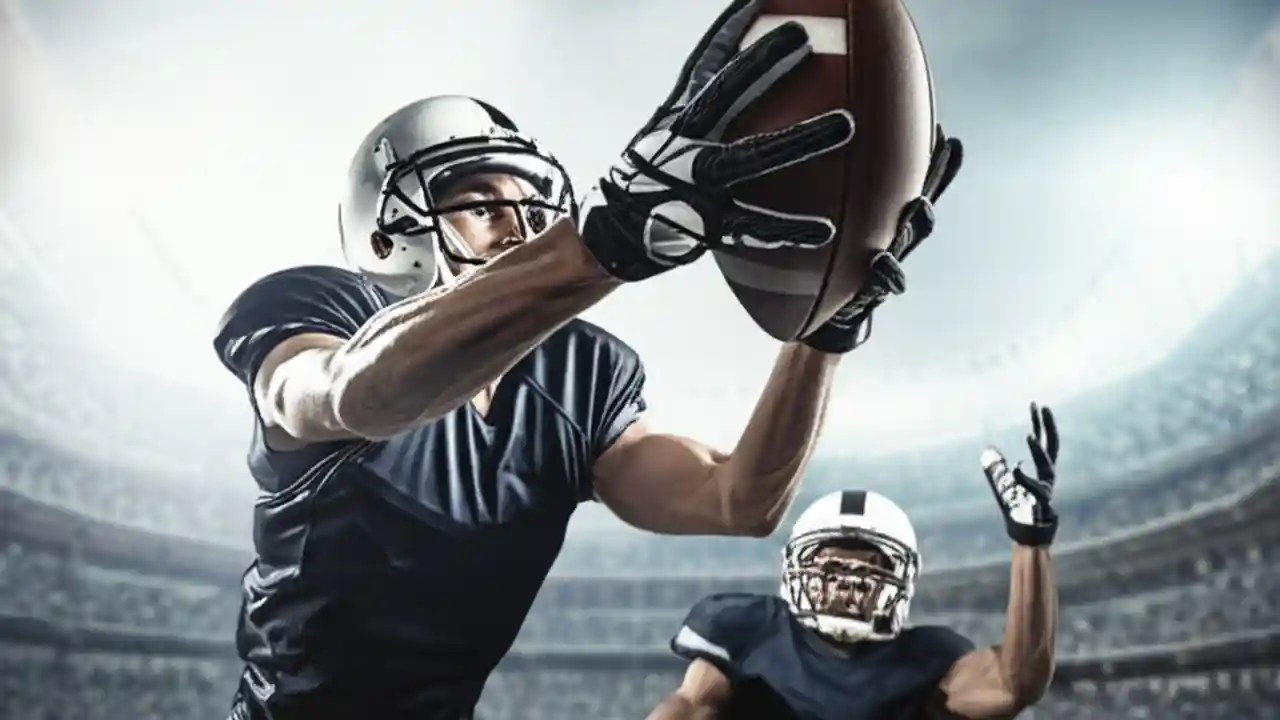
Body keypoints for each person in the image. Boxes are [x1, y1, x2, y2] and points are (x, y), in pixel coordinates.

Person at [213, 2, 962, 717]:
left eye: (537, 205)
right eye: (481, 203)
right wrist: (602, 244)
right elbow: (356, 396)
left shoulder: (583, 373)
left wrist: (822, 337)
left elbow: (738, 500)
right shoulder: (319, 311)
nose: (522, 225)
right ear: (388, 236)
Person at [651, 404, 1060, 720]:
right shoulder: (747, 628)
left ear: (901, 581)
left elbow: (1013, 685)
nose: (848, 584)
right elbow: (689, 707)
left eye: (869, 571)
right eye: (830, 570)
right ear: (795, 570)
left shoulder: (927, 657)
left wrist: (1030, 542)